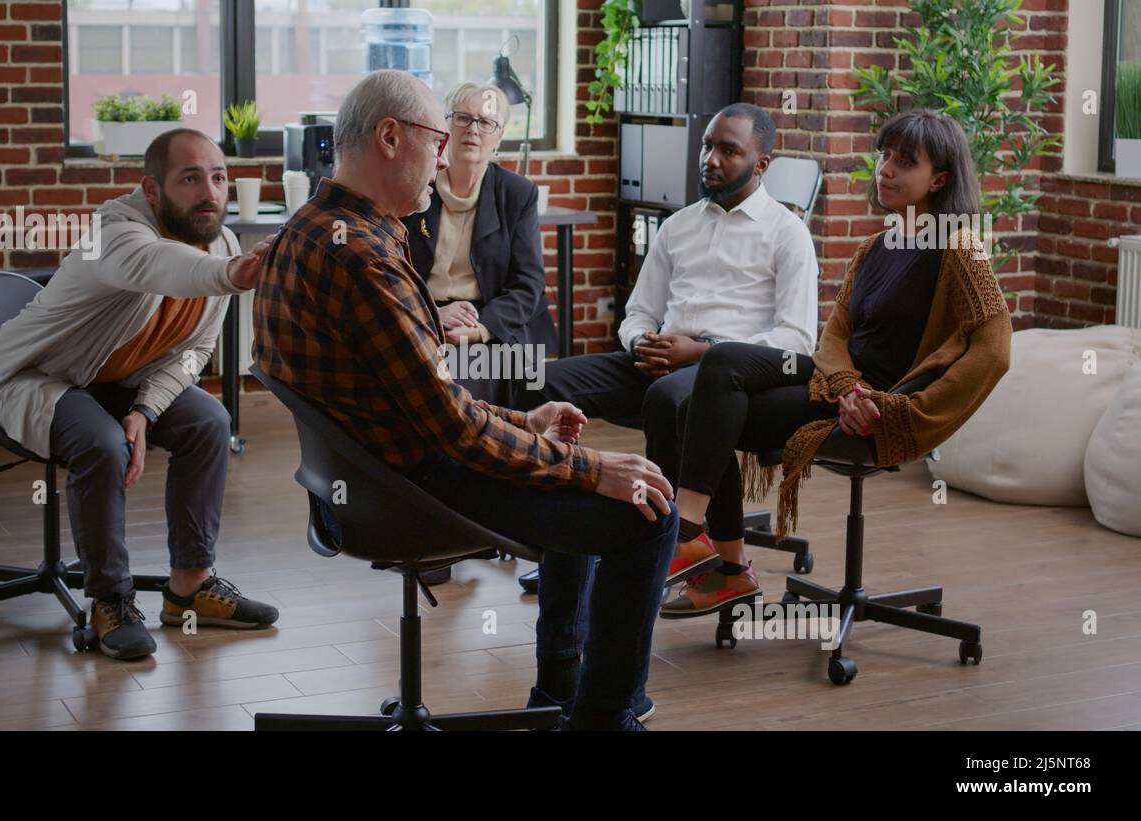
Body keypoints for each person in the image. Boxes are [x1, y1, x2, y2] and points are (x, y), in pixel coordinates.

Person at [253, 69, 677, 730]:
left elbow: (424, 396)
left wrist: (524, 420)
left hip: (358, 480)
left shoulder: (306, 227)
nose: (449, 156)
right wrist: (594, 468)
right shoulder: (364, 258)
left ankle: (562, 690)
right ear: (390, 138)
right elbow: (449, 427)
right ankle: (600, 718)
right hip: (406, 488)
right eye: (438, 139)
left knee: (571, 465)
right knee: (645, 506)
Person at [662, 108, 1012, 618]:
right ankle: (701, 541)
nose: (885, 169)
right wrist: (846, 386)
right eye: (884, 155)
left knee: (702, 407)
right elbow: (834, 337)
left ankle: (706, 550)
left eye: (904, 162)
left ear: (938, 179)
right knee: (721, 364)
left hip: (882, 409)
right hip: (838, 387)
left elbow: (995, 349)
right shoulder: (874, 247)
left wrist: (906, 411)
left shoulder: (961, 248)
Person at [0, 128, 280, 660]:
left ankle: (190, 588)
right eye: (190, 179)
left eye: (218, 176)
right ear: (153, 189)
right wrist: (231, 273)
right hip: (37, 377)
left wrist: (143, 410)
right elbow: (157, 266)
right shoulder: (114, 232)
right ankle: (110, 599)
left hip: (119, 383)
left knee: (209, 421)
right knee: (101, 443)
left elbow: (190, 355)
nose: (209, 192)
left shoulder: (223, 244)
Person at [513, 103, 819, 600]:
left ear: (761, 165)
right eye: (707, 146)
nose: (710, 159)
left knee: (678, 397)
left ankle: (669, 535)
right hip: (658, 360)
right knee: (543, 384)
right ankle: (561, 534)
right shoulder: (678, 225)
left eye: (728, 150)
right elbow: (637, 312)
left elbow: (796, 339)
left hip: (726, 373)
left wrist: (703, 352)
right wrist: (643, 342)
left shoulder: (787, 234)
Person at [401, 80, 557, 406]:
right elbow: (391, 266)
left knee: (454, 384)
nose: (473, 129)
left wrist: (479, 329)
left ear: (498, 137)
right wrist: (431, 314)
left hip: (490, 326)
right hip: (424, 316)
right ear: (444, 126)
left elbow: (528, 284)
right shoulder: (415, 186)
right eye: (463, 118)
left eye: (486, 122)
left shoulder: (517, 195)